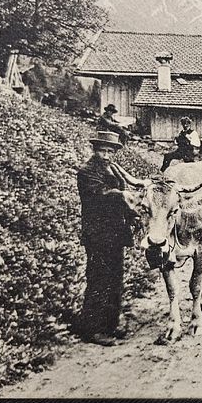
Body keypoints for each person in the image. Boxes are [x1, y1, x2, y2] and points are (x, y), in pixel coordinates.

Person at [76, 131, 134, 346]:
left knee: (115, 278)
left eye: (110, 151)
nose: (106, 155)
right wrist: (123, 196)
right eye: (102, 151)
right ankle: (93, 329)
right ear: (95, 150)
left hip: (115, 233)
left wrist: (132, 214)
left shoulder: (113, 169)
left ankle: (111, 324)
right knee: (99, 279)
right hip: (98, 234)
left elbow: (122, 196)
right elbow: (99, 194)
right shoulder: (87, 171)